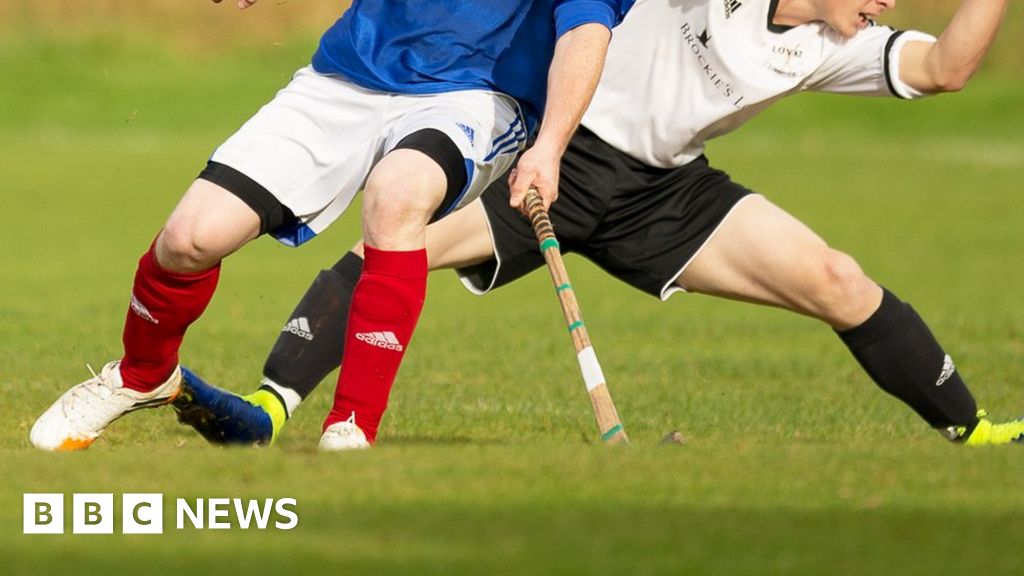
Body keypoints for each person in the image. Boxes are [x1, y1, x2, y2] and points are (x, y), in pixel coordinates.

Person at [175, 0, 1023, 448]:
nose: (887, 2)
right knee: (398, 242)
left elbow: (948, 67)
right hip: (561, 151)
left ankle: (971, 428)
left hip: (666, 193)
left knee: (837, 279)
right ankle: (274, 403)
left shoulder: (837, 44)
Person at [28, 0, 635, 452]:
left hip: (477, 96)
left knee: (398, 194)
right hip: (347, 73)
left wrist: (550, 145)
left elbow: (585, 28)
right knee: (191, 237)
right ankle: (143, 376)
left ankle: (351, 430)